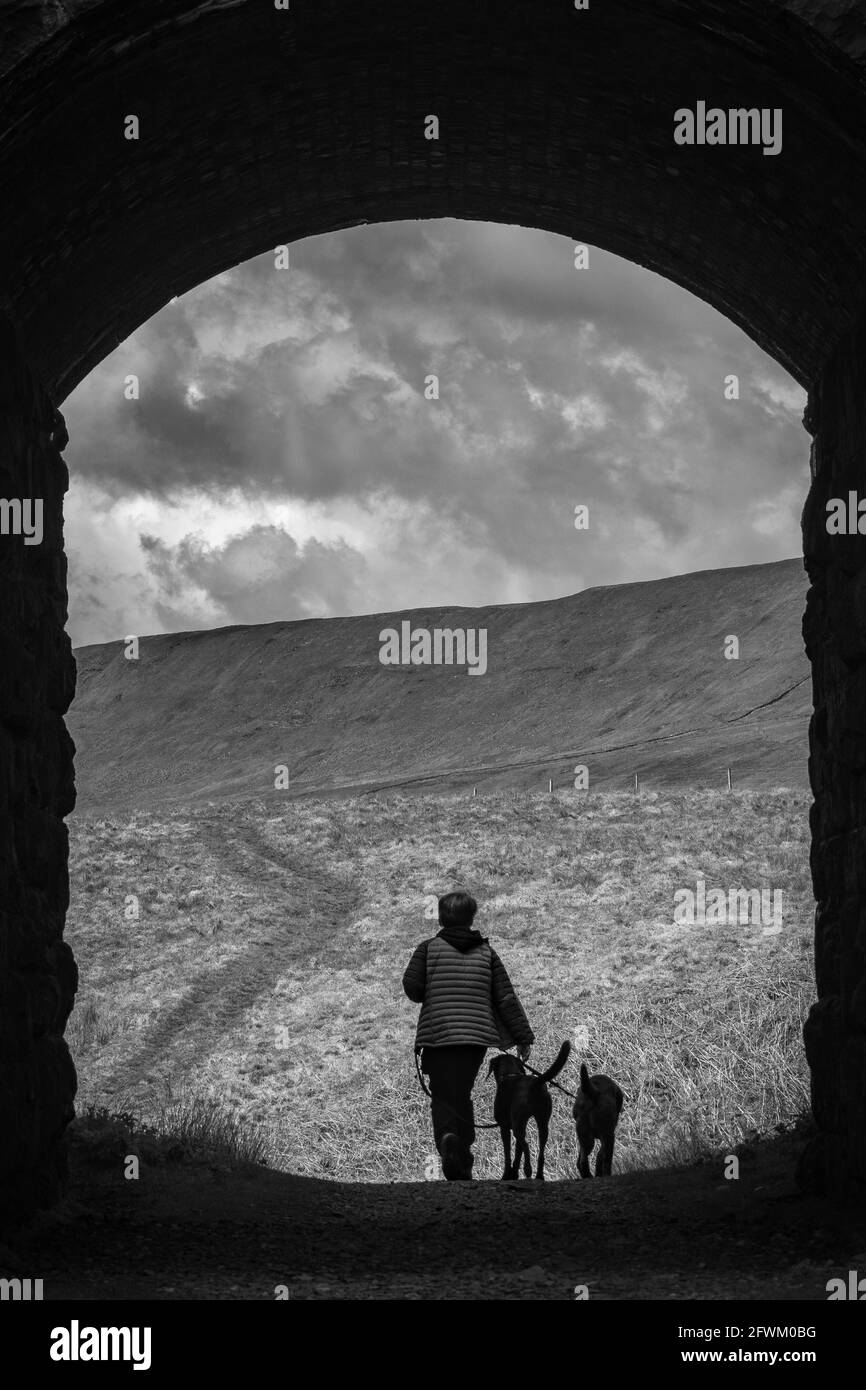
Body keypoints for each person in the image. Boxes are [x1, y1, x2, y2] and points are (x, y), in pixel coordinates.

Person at [402, 889, 535, 1180]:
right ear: (471, 917)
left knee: (443, 1095)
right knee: (461, 1091)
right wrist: (522, 1036)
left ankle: (450, 1141)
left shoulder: (427, 949)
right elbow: (505, 998)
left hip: (438, 1036)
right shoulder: (487, 953)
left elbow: (412, 989)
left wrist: (435, 987)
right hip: (475, 1040)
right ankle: (463, 1150)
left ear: (440, 917)